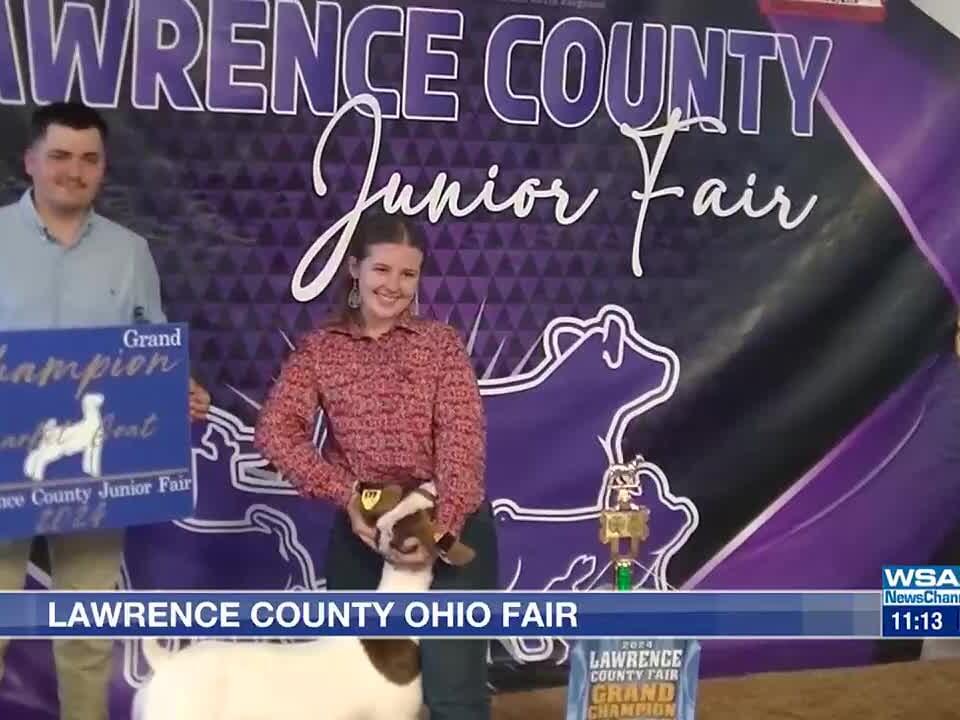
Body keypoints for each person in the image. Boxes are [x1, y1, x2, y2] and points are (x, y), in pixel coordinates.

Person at [0, 101, 211, 720]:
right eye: (60, 155)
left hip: (97, 474)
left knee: (88, 630)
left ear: (104, 168)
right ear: (30, 161)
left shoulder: (130, 252)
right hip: (3, 468)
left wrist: (180, 389)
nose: (74, 170)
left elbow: (149, 348)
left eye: (89, 158)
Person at [255, 211, 498, 720]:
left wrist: (439, 528)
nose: (394, 286)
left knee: (454, 691)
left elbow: (462, 443)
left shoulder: (441, 346)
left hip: (448, 525)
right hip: (363, 530)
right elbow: (275, 430)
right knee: (354, 689)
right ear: (354, 269)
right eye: (382, 270)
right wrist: (346, 494)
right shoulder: (321, 350)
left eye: (408, 274)